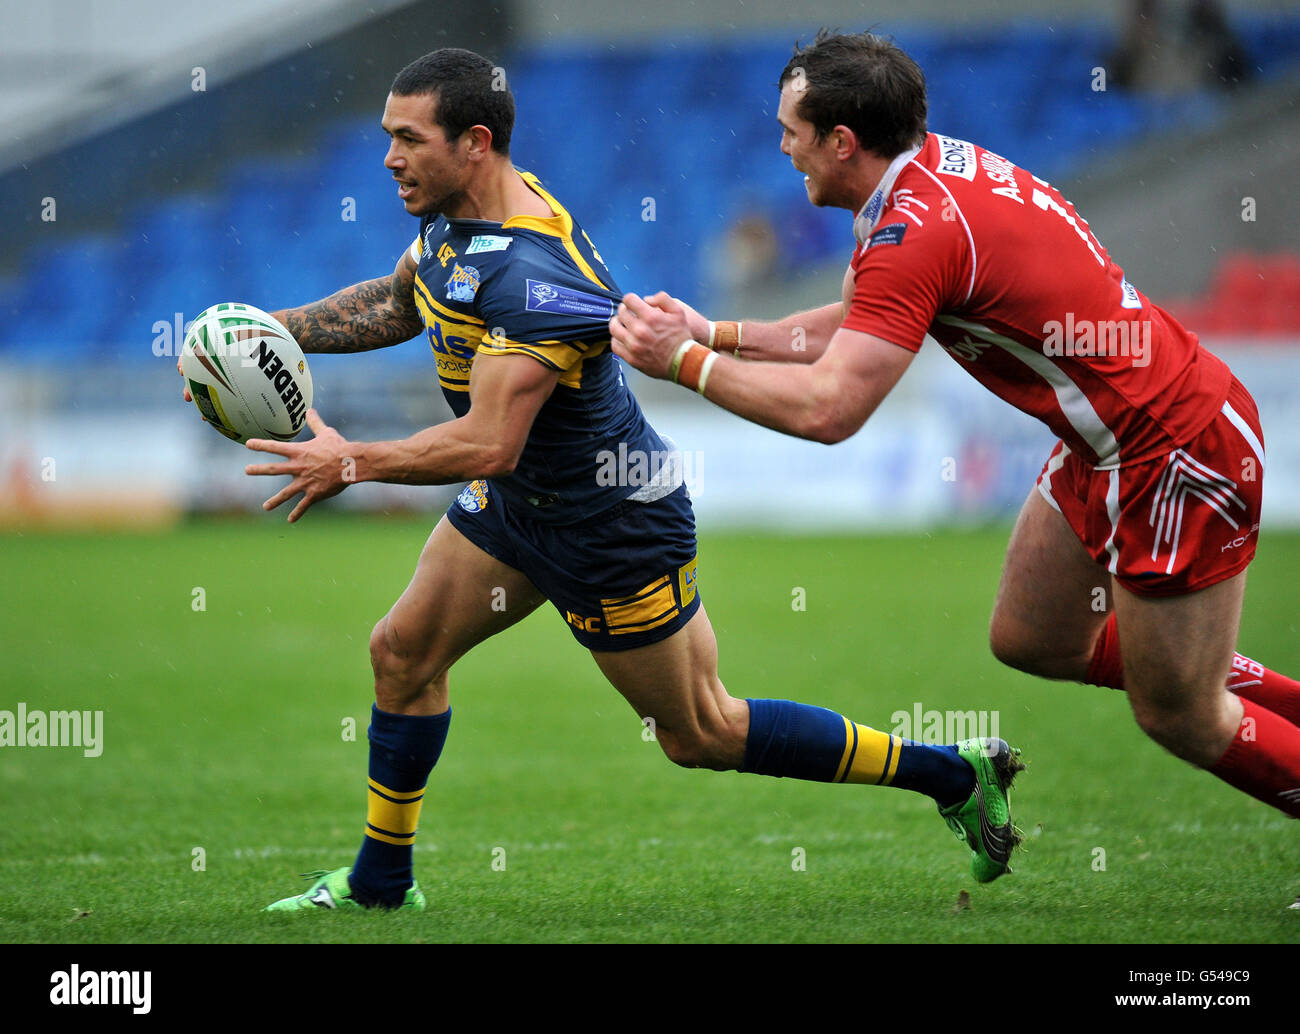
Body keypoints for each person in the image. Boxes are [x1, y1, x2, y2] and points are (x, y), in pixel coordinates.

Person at [181, 47, 1026, 912]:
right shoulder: (455, 218)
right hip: (519, 510)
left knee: (701, 731)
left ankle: (953, 774)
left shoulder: (532, 276)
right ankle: (380, 885)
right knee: (401, 653)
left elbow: (488, 444)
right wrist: (255, 333)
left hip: (610, 522)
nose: (389, 158)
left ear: (474, 143)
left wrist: (350, 459)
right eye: (387, 137)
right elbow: (401, 301)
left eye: (407, 139)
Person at [609, 30, 1300, 827]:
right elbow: (859, 324)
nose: (782, 147)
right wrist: (715, 332)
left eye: (791, 131)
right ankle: (1194, 664)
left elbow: (832, 410)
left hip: (1173, 447)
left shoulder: (914, 232)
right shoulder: (922, 180)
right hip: (1110, 442)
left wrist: (682, 369)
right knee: (1033, 635)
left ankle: (1191, 672)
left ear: (842, 142)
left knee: (1180, 712)